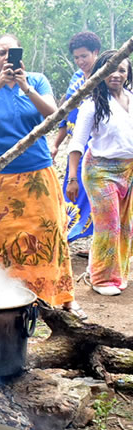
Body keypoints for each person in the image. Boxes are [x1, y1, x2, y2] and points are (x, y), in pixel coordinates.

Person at [0, 33, 83, 318]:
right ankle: (15, 302)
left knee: (50, 235)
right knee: (9, 241)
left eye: (12, 51)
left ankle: (64, 298)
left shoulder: (37, 80)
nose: (7, 57)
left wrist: (26, 87)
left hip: (38, 173)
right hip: (1, 178)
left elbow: (56, 116)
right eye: (0, 53)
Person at [67, 50, 133, 296]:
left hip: (129, 170)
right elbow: (77, 144)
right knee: (109, 225)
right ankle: (100, 279)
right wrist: (72, 179)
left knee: (126, 226)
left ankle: (118, 274)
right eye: (111, 69)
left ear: (128, 74)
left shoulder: (131, 98)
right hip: (100, 171)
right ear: (101, 73)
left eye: (122, 70)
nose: (116, 74)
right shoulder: (92, 103)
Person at [51, 31, 102, 242]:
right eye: (76, 57)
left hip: (98, 151)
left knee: (96, 200)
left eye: (84, 56)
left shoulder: (106, 80)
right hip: (75, 150)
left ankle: (71, 241)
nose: (80, 61)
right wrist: (55, 144)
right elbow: (66, 115)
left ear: (96, 53)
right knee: (71, 196)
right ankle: (64, 239)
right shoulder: (76, 79)